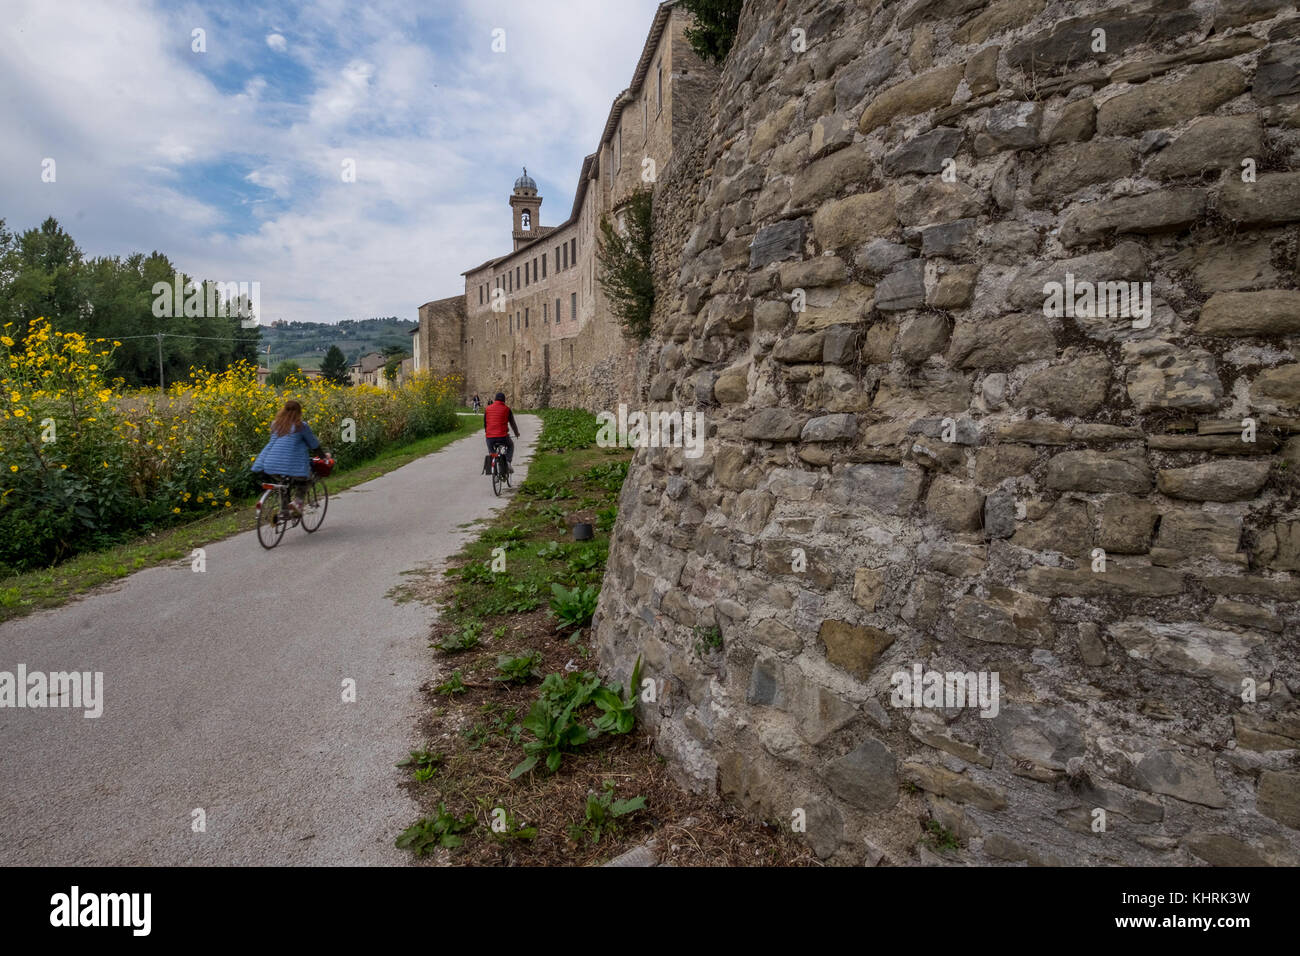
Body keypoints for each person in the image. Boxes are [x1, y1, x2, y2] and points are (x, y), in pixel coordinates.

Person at [251, 399, 323, 514]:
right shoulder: (301, 426)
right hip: (292, 465)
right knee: (305, 480)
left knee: (283, 484)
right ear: (299, 412)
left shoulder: (275, 425)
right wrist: (323, 456)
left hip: (271, 465)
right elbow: (314, 445)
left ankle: (284, 511)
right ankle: (297, 503)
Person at [484, 391, 520, 473]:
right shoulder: (507, 409)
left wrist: (488, 433)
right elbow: (512, 423)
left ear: (495, 399)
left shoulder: (487, 409)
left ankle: (493, 455)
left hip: (490, 438)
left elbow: (485, 424)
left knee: (490, 447)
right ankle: (507, 461)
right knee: (511, 445)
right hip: (502, 437)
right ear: (504, 400)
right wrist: (516, 433)